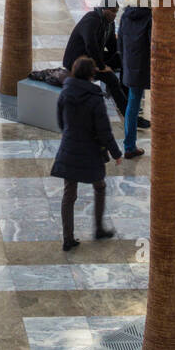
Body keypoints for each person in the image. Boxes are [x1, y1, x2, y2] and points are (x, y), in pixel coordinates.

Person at [51, 56, 122, 251]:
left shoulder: (65, 92)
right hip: (90, 150)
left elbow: (60, 122)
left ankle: (68, 238)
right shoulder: (94, 98)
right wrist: (116, 153)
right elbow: (104, 130)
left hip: (70, 147)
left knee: (69, 194)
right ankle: (98, 228)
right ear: (92, 74)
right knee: (99, 186)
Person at [62, 3, 145, 122]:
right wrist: (101, 66)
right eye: (112, 11)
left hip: (92, 57)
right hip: (78, 62)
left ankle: (125, 101)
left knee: (123, 63)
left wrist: (124, 55)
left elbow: (112, 46)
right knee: (111, 79)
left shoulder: (109, 24)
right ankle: (130, 117)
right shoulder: (91, 20)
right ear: (104, 9)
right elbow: (91, 45)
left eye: (116, 12)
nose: (114, 15)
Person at [117, 0, 151, 158]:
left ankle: (129, 146)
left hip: (131, 66)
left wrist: (125, 61)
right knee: (162, 105)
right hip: (148, 68)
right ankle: (164, 144)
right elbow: (155, 45)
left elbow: (120, 41)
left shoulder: (126, 14)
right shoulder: (151, 17)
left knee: (132, 105)